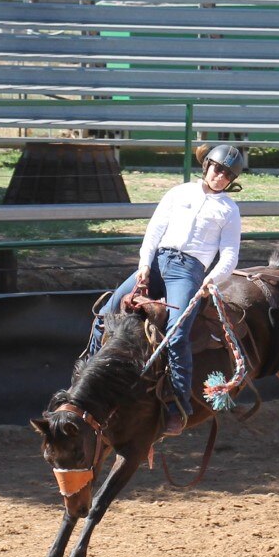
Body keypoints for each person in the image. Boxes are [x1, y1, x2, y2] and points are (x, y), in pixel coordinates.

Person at [88, 143, 244, 437]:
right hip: (158, 260)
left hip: (189, 271)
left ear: (232, 180)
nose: (220, 176)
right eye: (217, 168)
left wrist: (212, 279)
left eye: (227, 174)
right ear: (207, 166)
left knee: (177, 333)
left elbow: (229, 255)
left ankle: (178, 406)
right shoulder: (179, 192)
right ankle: (88, 373)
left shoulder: (229, 210)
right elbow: (154, 230)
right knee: (104, 315)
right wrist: (144, 264)